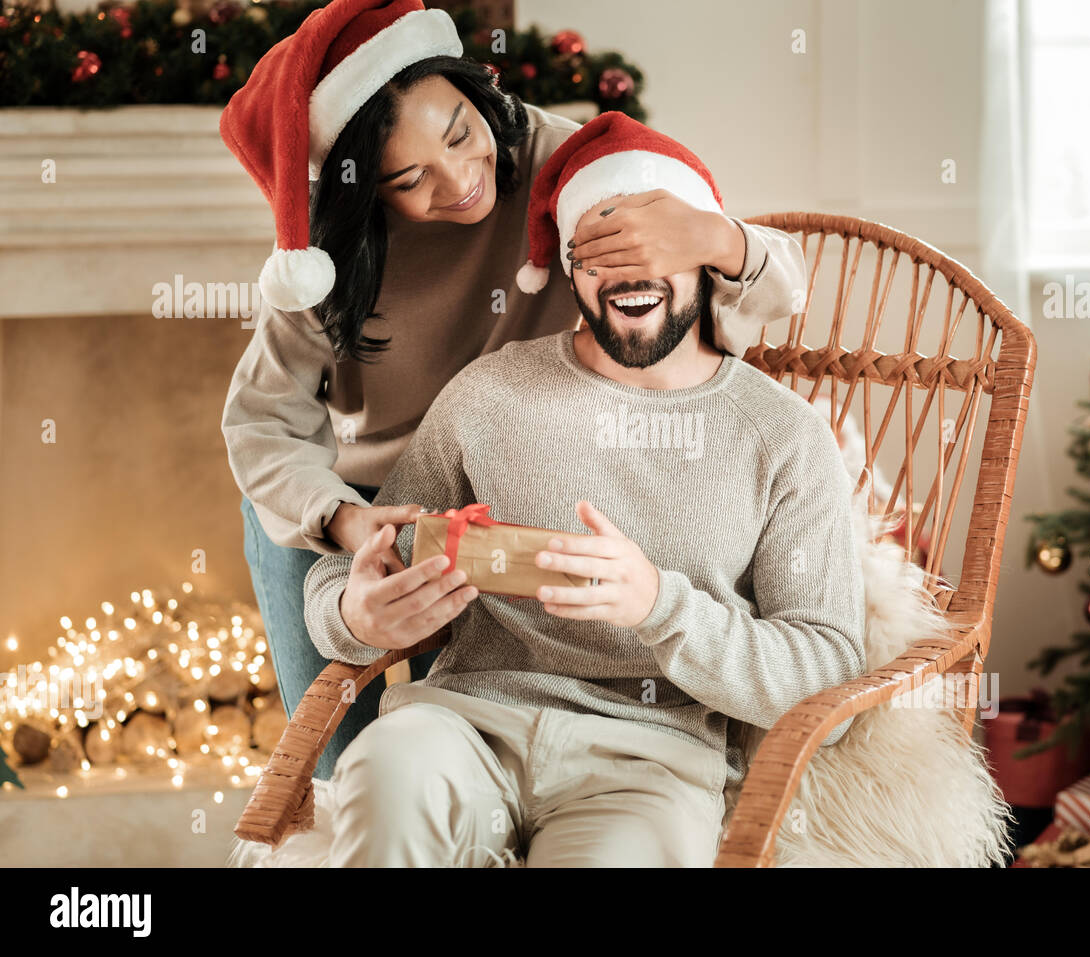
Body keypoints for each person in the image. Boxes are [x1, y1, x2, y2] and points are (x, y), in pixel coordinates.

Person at [218, 0, 809, 778]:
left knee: (471, 740)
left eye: (462, 134)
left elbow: (770, 296)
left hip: (523, 490)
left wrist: (712, 235)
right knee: (339, 771)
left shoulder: (566, 161)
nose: (461, 180)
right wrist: (343, 522)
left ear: (477, 93)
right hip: (374, 509)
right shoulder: (327, 252)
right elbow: (263, 423)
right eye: (409, 177)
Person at [302, 114, 866, 867]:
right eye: (597, 256)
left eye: (651, 250)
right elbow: (354, 567)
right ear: (567, 270)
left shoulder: (784, 436)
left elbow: (829, 675)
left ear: (706, 257)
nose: (628, 278)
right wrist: (356, 611)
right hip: (463, 727)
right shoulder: (490, 394)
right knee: (383, 772)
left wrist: (659, 606)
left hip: (651, 764)